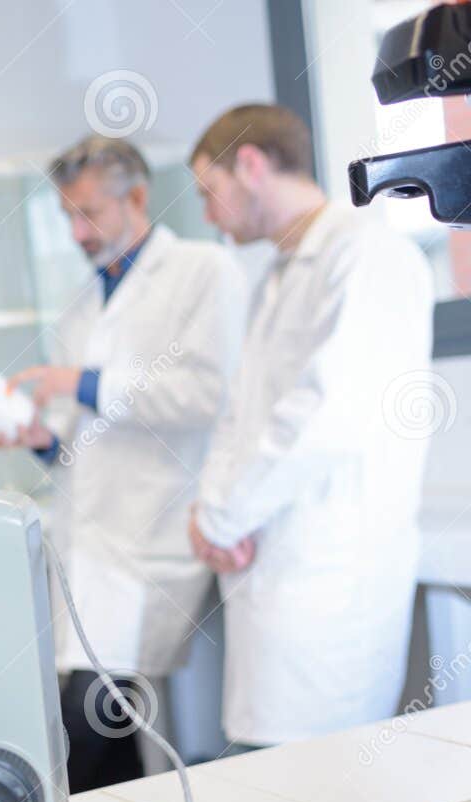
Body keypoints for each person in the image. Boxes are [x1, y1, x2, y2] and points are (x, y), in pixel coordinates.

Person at [0, 136, 246, 792]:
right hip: (91, 545)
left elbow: (204, 393)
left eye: (89, 214)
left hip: (154, 535)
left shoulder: (202, 272)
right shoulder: (82, 303)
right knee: (104, 731)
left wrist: (81, 382)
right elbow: (86, 445)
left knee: (89, 727)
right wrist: (37, 440)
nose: (77, 232)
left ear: (136, 196)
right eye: (67, 217)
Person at [187, 103, 434, 751]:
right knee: (266, 780)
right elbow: (241, 417)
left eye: (208, 192)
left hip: (328, 582)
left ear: (250, 165)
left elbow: (330, 417)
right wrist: (214, 515)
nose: (208, 215)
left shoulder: (369, 257)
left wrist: (220, 521)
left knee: (320, 794)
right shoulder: (279, 275)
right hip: (269, 572)